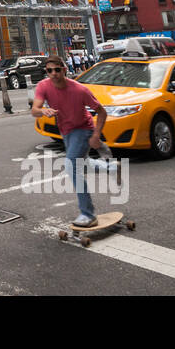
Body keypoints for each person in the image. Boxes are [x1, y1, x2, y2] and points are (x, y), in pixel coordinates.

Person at [30, 56, 107, 227]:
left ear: (64, 70)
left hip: (83, 129)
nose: (54, 73)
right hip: (66, 131)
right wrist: (43, 111)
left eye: (57, 69)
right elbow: (34, 110)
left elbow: (101, 112)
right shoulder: (43, 86)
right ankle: (111, 167)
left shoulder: (80, 90)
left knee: (72, 166)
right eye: (50, 70)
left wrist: (96, 135)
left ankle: (88, 214)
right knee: (83, 164)